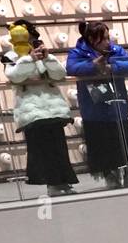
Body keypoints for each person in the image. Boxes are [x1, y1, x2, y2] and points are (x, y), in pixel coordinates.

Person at [4, 19, 77, 195]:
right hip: (31, 109)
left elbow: (59, 74)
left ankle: (63, 181)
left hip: (53, 107)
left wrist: (48, 58)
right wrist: (29, 59)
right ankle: (52, 183)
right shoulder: (11, 56)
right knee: (41, 148)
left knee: (59, 146)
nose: (30, 43)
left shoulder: (43, 55)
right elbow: (14, 76)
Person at [66, 21, 128, 189]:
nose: (108, 42)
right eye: (104, 38)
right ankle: (110, 174)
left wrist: (111, 67)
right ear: (92, 39)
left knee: (124, 142)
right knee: (101, 144)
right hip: (93, 109)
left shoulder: (116, 50)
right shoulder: (77, 52)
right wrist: (93, 65)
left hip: (116, 107)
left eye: (108, 37)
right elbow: (71, 68)